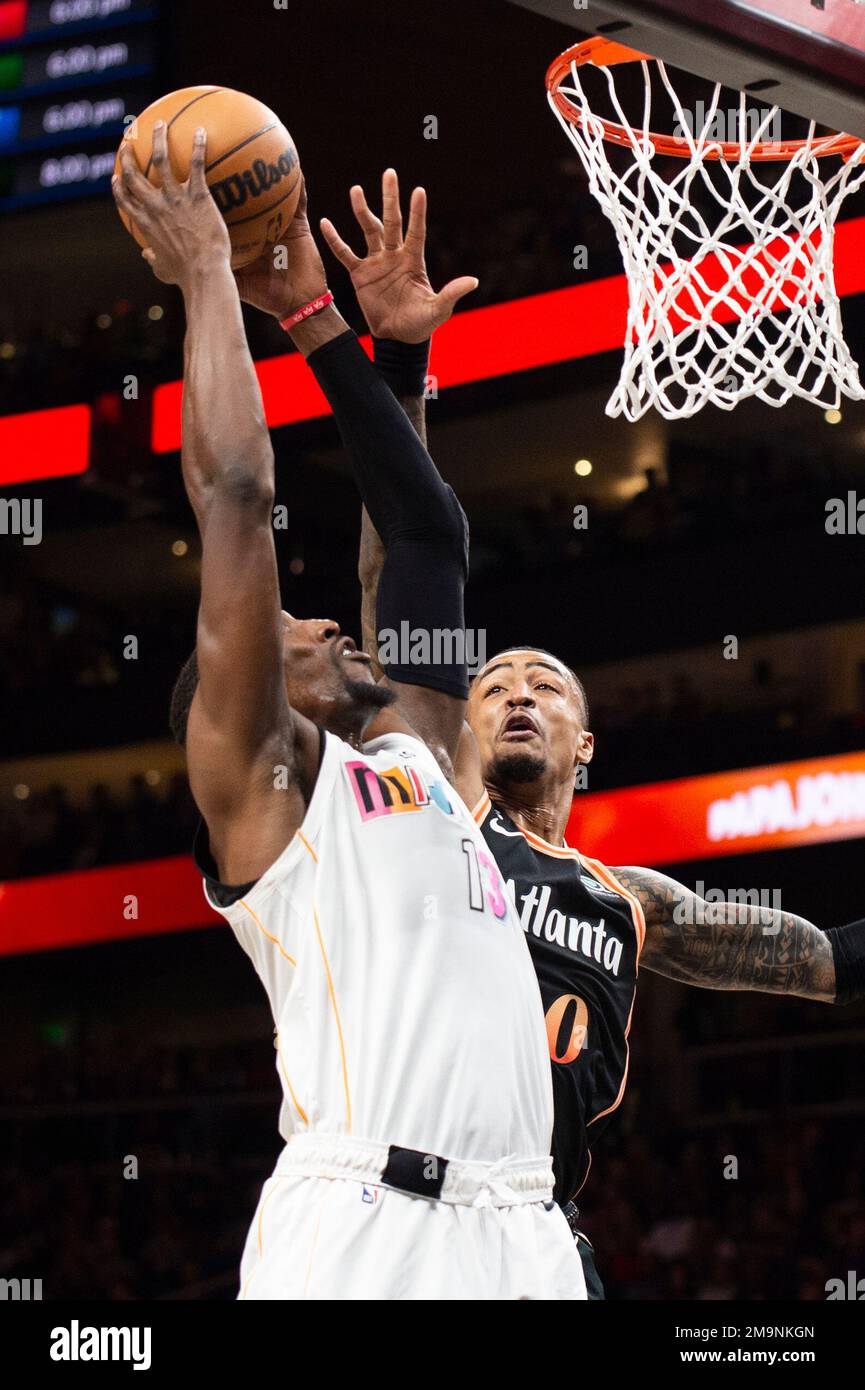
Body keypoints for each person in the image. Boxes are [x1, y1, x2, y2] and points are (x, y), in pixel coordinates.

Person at [333, 214, 865, 1305]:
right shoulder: (437, 822)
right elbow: (401, 562)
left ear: (585, 743)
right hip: (396, 1207)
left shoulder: (632, 902)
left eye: (545, 685)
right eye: (493, 685)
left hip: (535, 1226)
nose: (517, 693)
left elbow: (819, 961)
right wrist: (400, 363)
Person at [113, 126, 585, 1300]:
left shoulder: (413, 749)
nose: (327, 623)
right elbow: (236, 492)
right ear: (243, 690)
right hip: (367, 1222)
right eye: (293, 629)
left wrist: (345, 333)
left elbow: (424, 536)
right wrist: (208, 272)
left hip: (523, 1227)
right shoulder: (264, 790)